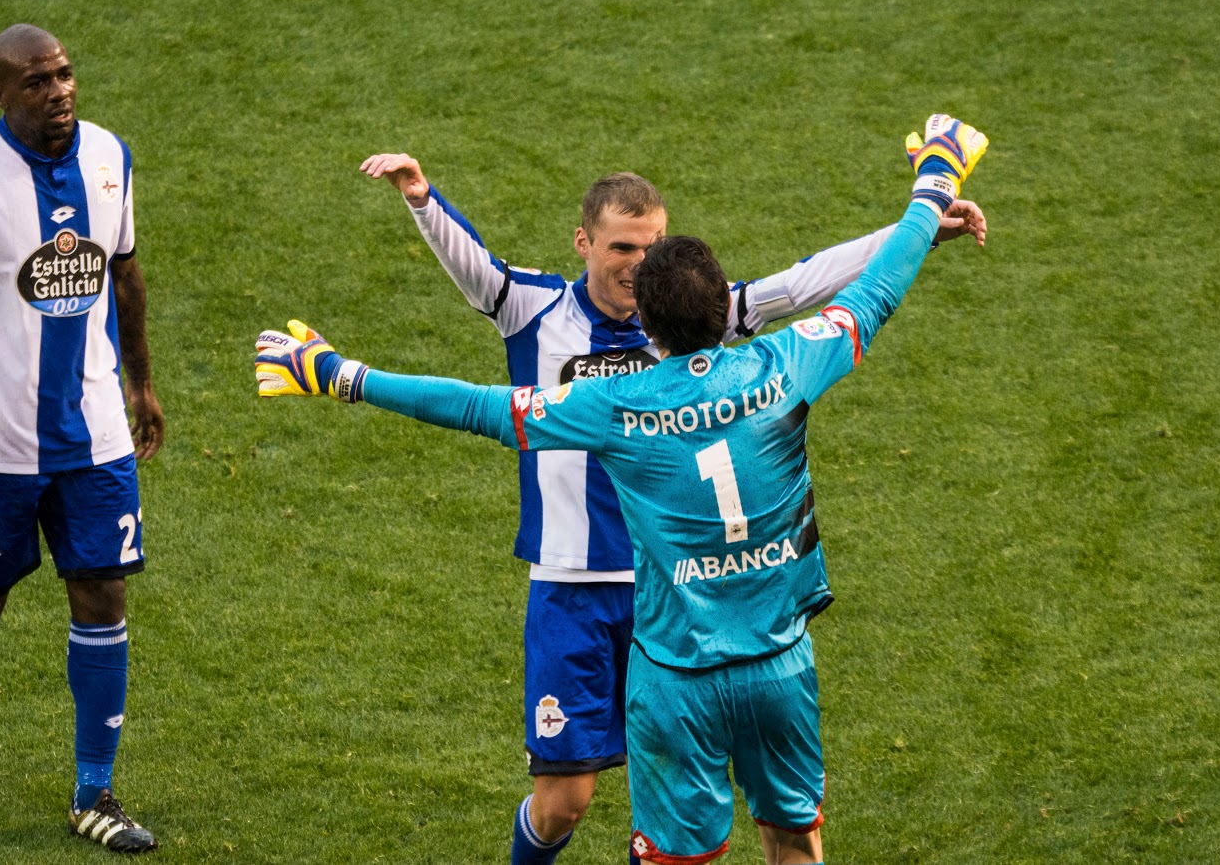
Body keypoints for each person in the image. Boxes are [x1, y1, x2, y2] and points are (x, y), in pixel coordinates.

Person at [264, 115, 989, 864]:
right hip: (682, 622)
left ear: (658, 309)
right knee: (671, 818)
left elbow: (477, 406)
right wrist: (930, 194)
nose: (635, 267)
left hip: (670, 628)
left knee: (694, 840)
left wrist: (340, 374)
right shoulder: (779, 360)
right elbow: (861, 295)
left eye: (649, 255)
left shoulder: (618, 403)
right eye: (622, 248)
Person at [0, 24, 165, 854]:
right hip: (0, 446)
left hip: (93, 438)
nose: (58, 90)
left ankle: (95, 791)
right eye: (37, 82)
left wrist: (140, 382)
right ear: (1, 96)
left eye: (64, 74)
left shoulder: (110, 159)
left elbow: (124, 271)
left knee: (103, 595)